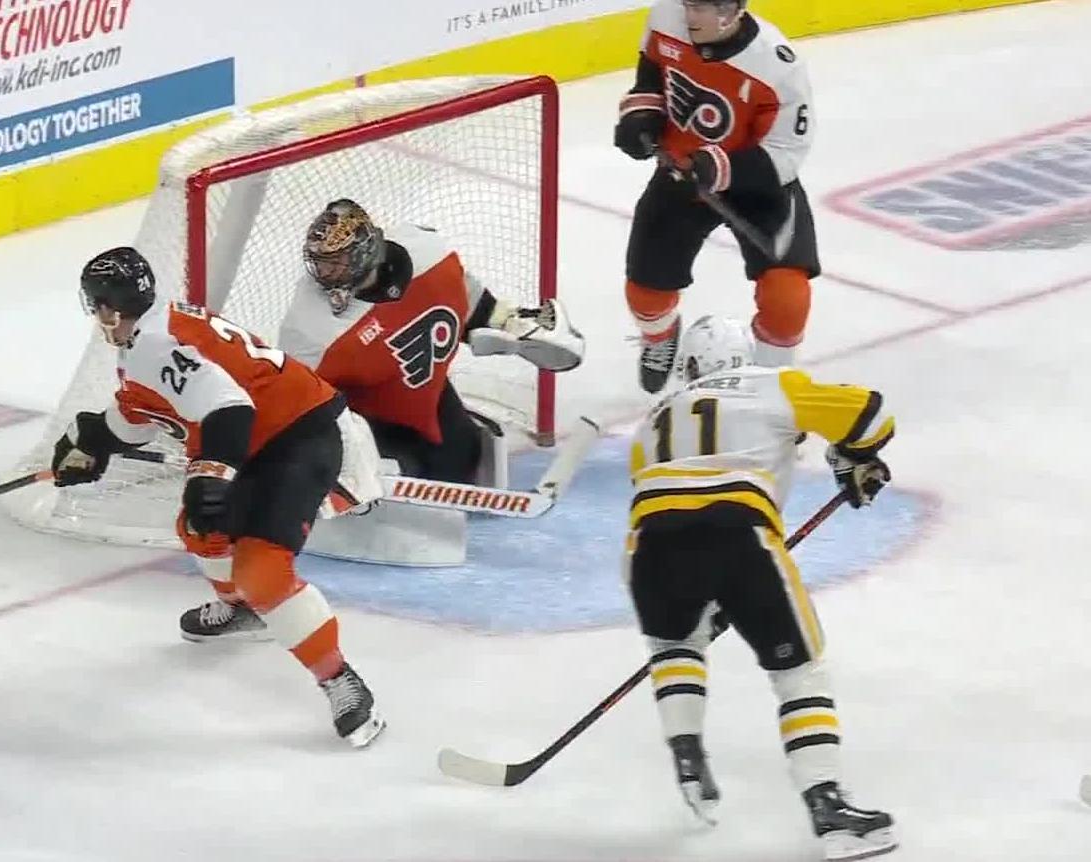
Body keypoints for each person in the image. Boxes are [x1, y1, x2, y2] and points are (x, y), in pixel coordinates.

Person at [50, 246, 386, 748]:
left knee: (262, 570)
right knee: (200, 528)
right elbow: (147, 414)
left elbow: (229, 408)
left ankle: (340, 680)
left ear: (108, 309)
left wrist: (211, 475)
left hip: (301, 435)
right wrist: (90, 440)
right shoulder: (153, 333)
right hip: (261, 437)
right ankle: (242, 609)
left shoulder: (154, 345)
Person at [625, 315, 897, 860]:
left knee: (675, 643)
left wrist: (712, 590)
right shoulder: (772, 383)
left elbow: (667, 494)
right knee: (799, 671)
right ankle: (828, 805)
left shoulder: (653, 420)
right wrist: (852, 458)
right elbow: (873, 415)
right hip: (739, 533)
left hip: (649, 545)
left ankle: (687, 754)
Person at [277, 199, 585, 484]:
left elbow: (470, 301)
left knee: (462, 463)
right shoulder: (310, 328)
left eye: (336, 261)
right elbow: (295, 407)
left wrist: (511, 323)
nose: (325, 272)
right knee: (396, 489)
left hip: (431, 400)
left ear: (364, 252)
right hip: (368, 424)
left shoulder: (427, 253)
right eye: (320, 262)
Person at [613, 0, 820, 393]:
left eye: (703, 8)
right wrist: (641, 116)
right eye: (689, 4)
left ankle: (771, 385)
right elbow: (651, 78)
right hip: (681, 173)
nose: (690, 16)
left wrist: (716, 168)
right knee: (645, 292)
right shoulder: (666, 16)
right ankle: (659, 338)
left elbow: (787, 153)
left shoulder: (779, 67)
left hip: (757, 184)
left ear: (734, 10)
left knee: (788, 297)